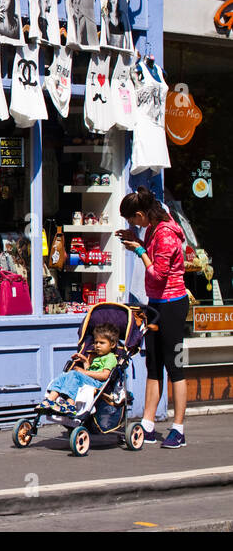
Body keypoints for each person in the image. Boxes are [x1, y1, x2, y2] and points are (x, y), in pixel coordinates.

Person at [117, 188, 189, 448]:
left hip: (172, 304)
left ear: (141, 214)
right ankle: (148, 423)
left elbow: (158, 274)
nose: (132, 225)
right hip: (156, 303)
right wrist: (138, 241)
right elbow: (154, 258)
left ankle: (178, 429)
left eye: (132, 221)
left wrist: (138, 250)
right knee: (153, 363)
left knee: (175, 366)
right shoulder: (152, 230)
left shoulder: (167, 234)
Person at [39, 325, 119, 414]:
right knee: (64, 375)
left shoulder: (110, 358)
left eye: (102, 343)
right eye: (96, 343)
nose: (97, 346)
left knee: (74, 374)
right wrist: (85, 361)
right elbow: (90, 371)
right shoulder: (97, 357)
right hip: (91, 380)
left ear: (112, 344)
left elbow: (104, 375)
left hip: (99, 384)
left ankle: (70, 404)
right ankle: (50, 400)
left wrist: (84, 372)